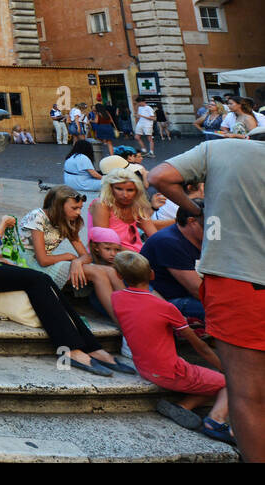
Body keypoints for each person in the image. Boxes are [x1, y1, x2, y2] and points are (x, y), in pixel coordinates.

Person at [0, 168, 132, 376]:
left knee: (43, 282)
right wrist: (4, 222)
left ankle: (91, 347)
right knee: (39, 280)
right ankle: (75, 349)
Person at [148, 139, 265, 462]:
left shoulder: (224, 149)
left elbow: (159, 176)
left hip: (241, 282)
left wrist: (196, 209)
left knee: (248, 396)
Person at [110, 251, 233, 444]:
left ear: (118, 275)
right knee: (230, 383)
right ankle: (215, 421)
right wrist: (224, 368)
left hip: (144, 368)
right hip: (171, 372)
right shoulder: (166, 308)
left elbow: (144, 320)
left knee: (206, 379)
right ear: (152, 274)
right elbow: (201, 348)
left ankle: (184, 406)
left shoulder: (116, 298)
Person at [20, 185, 124, 321]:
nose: (79, 212)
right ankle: (122, 322)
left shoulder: (67, 221)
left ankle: (132, 313)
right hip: (28, 262)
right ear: (58, 206)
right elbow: (42, 260)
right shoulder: (37, 217)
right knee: (97, 272)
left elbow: (85, 255)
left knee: (110, 271)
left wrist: (77, 261)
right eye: (74, 208)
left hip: (48, 260)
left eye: (80, 208)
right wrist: (69, 257)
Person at [139, 198, 206, 320]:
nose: (216, 231)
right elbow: (198, 291)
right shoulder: (168, 241)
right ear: (192, 221)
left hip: (189, 294)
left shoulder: (200, 237)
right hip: (168, 300)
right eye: (210, 225)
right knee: (225, 310)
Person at [89, 165, 162, 252]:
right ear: (111, 188)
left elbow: (154, 235)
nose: (125, 195)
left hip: (136, 254)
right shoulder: (101, 205)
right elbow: (105, 243)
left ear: (137, 191)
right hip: (111, 256)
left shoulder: (136, 206)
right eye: (119, 189)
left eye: (130, 190)